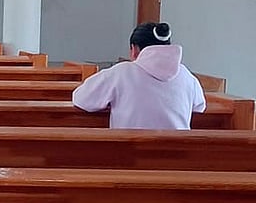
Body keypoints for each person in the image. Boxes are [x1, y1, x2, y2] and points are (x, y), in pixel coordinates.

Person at [72, 22, 206, 129]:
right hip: (179, 157)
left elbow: (81, 98)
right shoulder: (187, 76)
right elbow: (200, 107)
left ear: (134, 49)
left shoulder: (121, 72)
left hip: (130, 157)